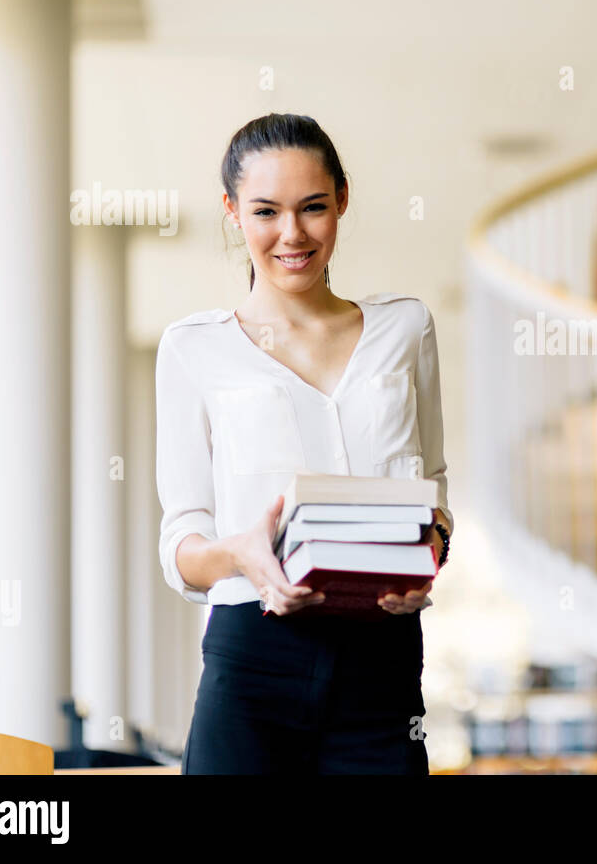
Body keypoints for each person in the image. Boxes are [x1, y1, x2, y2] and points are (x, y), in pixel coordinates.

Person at [156, 113, 453, 774]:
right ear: (233, 212)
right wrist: (242, 555)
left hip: (383, 666)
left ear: (342, 200)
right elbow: (180, 547)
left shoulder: (404, 329)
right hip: (253, 663)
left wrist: (431, 556)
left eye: (313, 208)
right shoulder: (193, 349)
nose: (292, 234)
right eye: (266, 211)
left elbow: (434, 498)